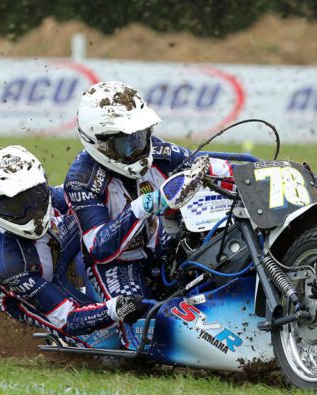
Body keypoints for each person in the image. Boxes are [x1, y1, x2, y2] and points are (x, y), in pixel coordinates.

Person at [64, 81, 232, 347]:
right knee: (142, 334)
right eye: (124, 143)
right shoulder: (81, 179)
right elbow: (99, 248)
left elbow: (208, 166)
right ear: (100, 143)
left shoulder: (161, 152)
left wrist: (259, 175)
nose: (137, 149)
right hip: (118, 265)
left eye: (140, 136)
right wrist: (147, 205)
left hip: (164, 250)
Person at [0, 145, 148, 346]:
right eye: (16, 206)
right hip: (32, 287)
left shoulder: (58, 198)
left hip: (61, 251)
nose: (32, 210)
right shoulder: (7, 266)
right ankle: (66, 339)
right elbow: (69, 319)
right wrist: (116, 308)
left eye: (36, 195)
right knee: (109, 339)